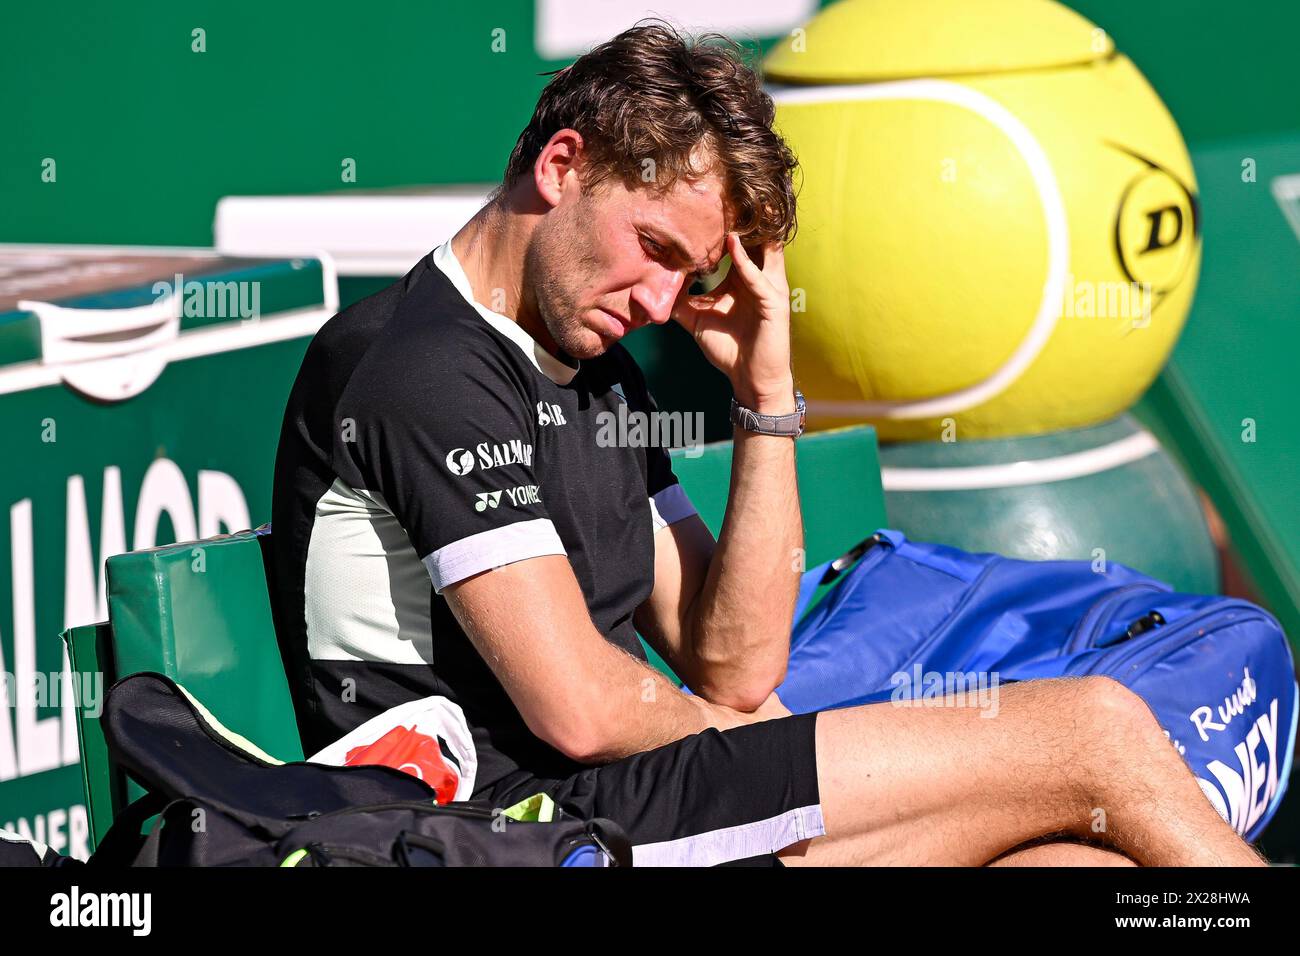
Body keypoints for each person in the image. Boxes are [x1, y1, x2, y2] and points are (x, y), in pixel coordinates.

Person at [269, 22, 1262, 866]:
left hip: (629, 806)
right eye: (654, 248)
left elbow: (731, 660)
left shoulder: (592, 366)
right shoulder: (422, 363)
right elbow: (580, 706)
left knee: (1063, 853)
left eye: (687, 274)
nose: (660, 304)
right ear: (560, 164)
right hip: (513, 831)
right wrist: (779, 741)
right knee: (1090, 730)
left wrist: (764, 396)